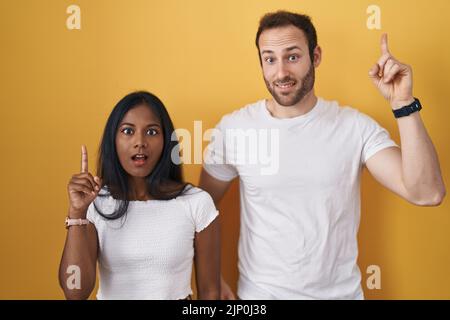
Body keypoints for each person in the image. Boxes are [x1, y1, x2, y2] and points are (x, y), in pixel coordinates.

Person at [199, 11, 446, 299]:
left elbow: (427, 193)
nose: (281, 73)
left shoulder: (355, 128)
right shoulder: (234, 129)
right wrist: (210, 280)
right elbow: (199, 211)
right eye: (270, 59)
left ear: (315, 56)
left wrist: (403, 104)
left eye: (292, 56)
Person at [59, 91, 220, 300]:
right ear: (113, 140)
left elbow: (210, 293)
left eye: (152, 132)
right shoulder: (94, 203)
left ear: (166, 140)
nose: (140, 142)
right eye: (127, 131)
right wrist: (77, 213)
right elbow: (75, 291)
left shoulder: (197, 202)